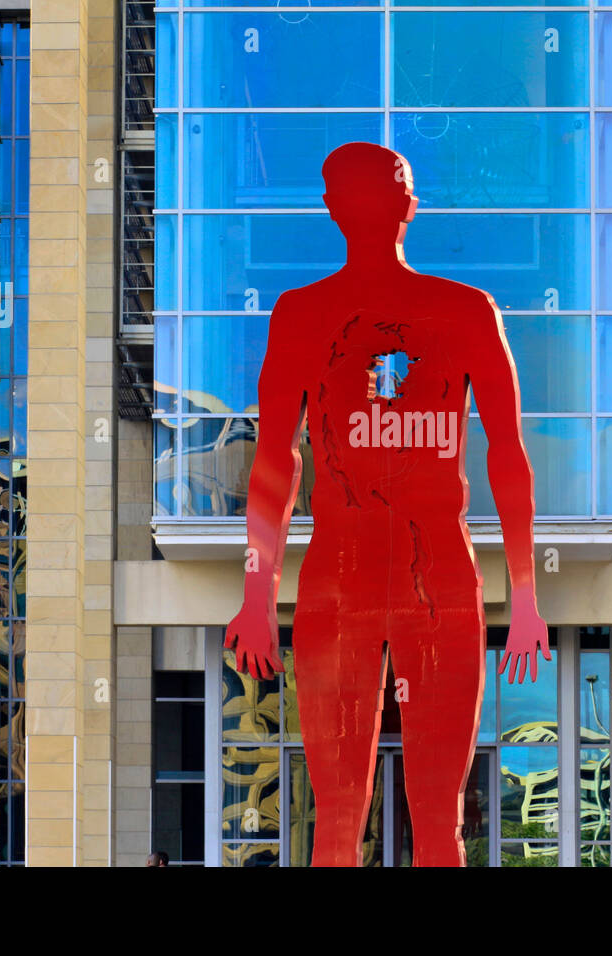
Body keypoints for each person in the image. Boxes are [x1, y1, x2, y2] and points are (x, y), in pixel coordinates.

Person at [225, 142, 548, 867]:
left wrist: (257, 593)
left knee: (386, 822)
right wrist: (256, 593)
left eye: (390, 189)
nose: (390, 203)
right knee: (383, 822)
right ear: (400, 206)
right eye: (389, 190)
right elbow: (277, 458)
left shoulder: (458, 312)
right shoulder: (317, 314)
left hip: (413, 580)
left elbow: (505, 451)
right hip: (361, 582)